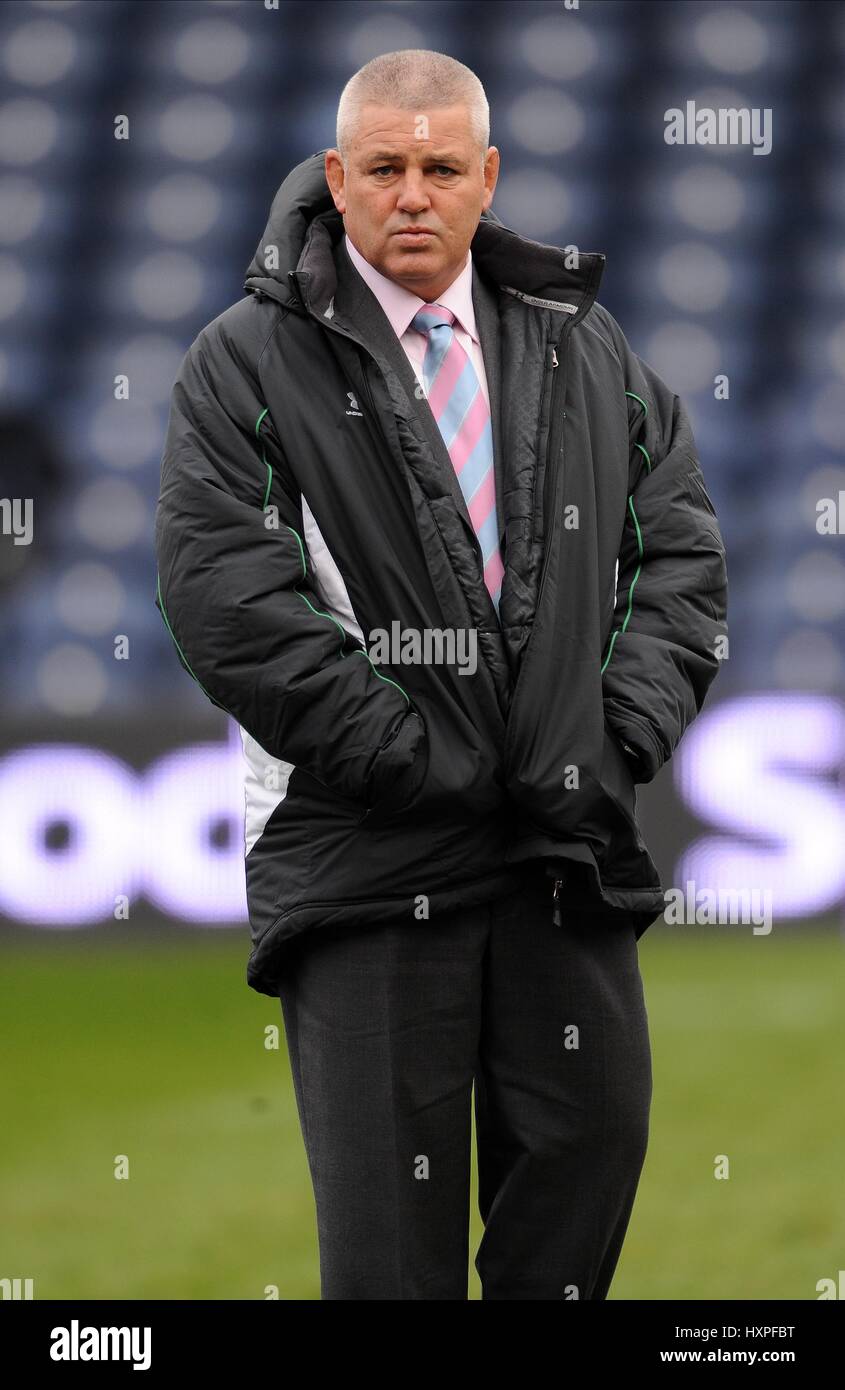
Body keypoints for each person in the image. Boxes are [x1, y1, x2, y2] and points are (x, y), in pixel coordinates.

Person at [154, 49, 728, 1300]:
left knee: (589, 1158)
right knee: (388, 1262)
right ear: (334, 176)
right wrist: (416, 759)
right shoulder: (244, 361)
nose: (411, 195)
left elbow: (673, 552)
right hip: (365, 853)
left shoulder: (582, 342)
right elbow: (231, 602)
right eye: (383, 169)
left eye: (438, 168)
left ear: (487, 177)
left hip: (558, 845)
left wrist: (604, 737)